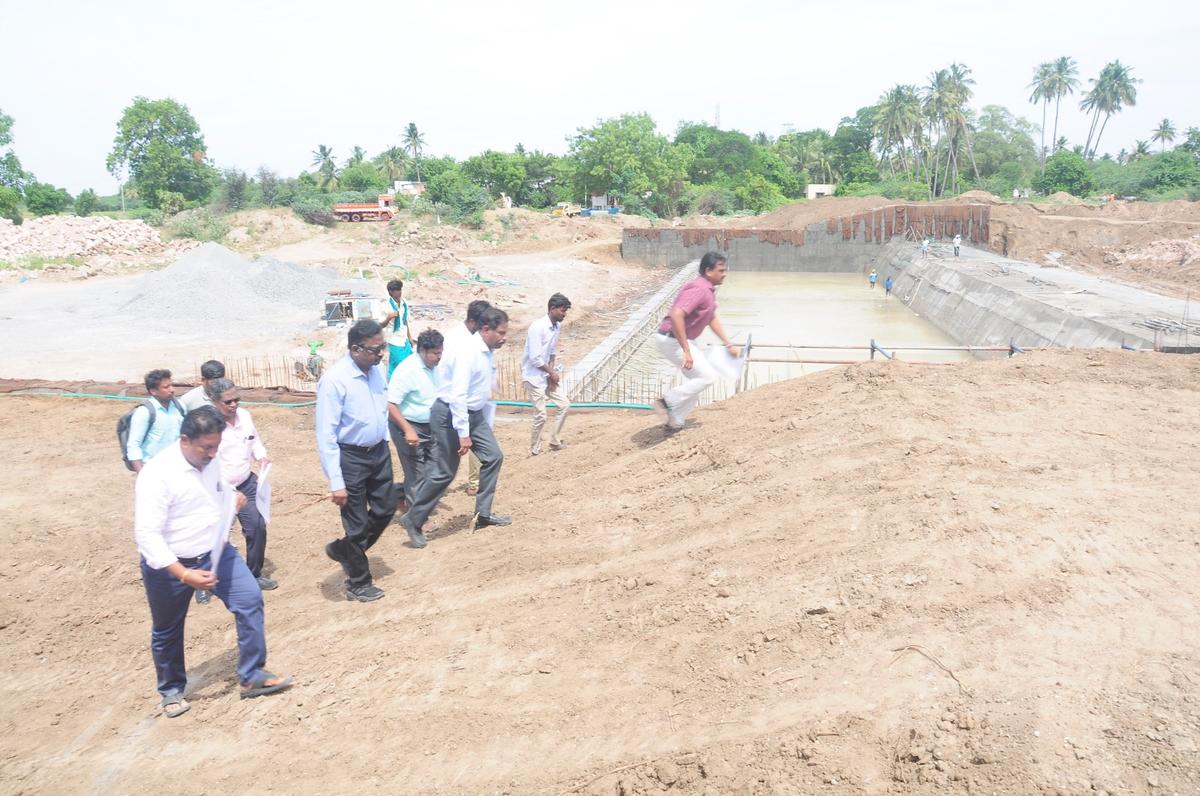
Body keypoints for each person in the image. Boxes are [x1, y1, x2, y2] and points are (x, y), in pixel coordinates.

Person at [135, 407, 291, 718]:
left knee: (249, 599)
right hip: (171, 563)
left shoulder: (211, 460)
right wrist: (183, 574)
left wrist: (233, 498)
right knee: (167, 628)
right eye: (206, 447)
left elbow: (220, 488)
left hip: (215, 551)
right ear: (184, 440)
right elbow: (147, 535)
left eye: (216, 446)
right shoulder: (157, 475)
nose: (212, 453)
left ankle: (251, 675)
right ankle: (171, 690)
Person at [401, 307, 512, 547]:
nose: (505, 337)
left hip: (474, 414)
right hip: (450, 414)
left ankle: (483, 514)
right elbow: (458, 395)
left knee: (493, 456)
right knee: (445, 472)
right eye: (501, 332)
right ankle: (414, 518)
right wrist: (463, 434)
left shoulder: (486, 352)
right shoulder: (467, 353)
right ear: (485, 329)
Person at [316, 319, 397, 602]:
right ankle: (358, 583)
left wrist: (384, 438)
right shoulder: (335, 380)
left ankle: (343, 549)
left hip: (378, 451)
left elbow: (381, 408)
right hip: (349, 457)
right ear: (355, 349)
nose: (381, 354)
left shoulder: (378, 371)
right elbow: (325, 433)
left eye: (383, 347)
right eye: (376, 349)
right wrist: (336, 481)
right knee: (357, 522)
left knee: (386, 508)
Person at [654, 251, 738, 431]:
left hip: (679, 340)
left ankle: (675, 421)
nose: (724, 274)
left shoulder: (708, 290)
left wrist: (728, 343)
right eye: (721, 270)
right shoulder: (699, 289)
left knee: (698, 380)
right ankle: (667, 401)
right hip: (672, 340)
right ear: (708, 271)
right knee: (708, 377)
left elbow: (710, 318)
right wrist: (686, 351)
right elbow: (676, 314)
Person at [211, 378, 275, 591]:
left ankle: (253, 574)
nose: (233, 405)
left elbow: (254, 439)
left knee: (256, 526)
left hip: (246, 482)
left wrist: (261, 456)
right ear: (215, 402)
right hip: (218, 489)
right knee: (215, 534)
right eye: (227, 402)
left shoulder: (244, 416)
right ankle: (206, 582)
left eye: (236, 400)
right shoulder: (209, 425)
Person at [387, 329, 443, 508]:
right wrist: (408, 429)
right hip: (407, 426)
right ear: (423, 351)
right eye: (436, 353)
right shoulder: (408, 370)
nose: (439, 357)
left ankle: (398, 495)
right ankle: (417, 517)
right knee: (416, 472)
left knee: (432, 468)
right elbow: (390, 405)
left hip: (430, 426)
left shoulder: (434, 368)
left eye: (441, 352)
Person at [443, 300, 491, 496]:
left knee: (480, 446)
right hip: (451, 401)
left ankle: (474, 482)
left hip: (472, 403)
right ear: (474, 321)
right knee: (449, 450)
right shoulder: (455, 339)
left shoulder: (478, 342)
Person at [522, 293, 572, 455]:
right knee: (541, 415)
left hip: (545, 374)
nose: (564, 314)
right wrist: (551, 372)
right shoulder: (538, 327)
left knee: (564, 404)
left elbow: (551, 352)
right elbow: (535, 358)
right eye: (562, 311)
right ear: (552, 309)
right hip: (533, 377)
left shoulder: (556, 326)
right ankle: (535, 450)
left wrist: (551, 374)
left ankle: (554, 441)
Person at [127, 369, 186, 473]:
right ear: (153, 391)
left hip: (178, 467)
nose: (172, 390)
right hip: (153, 470)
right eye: (166, 387)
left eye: (172, 385)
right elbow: (133, 445)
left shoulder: (180, 406)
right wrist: (142, 475)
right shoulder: (144, 412)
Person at [383, 280, 415, 381]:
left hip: (404, 338)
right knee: (402, 364)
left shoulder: (404, 303)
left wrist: (410, 338)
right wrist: (389, 317)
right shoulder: (385, 306)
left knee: (398, 364)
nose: (399, 292)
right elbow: (380, 325)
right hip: (393, 340)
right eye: (397, 290)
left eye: (400, 289)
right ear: (391, 292)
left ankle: (391, 383)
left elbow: (405, 322)